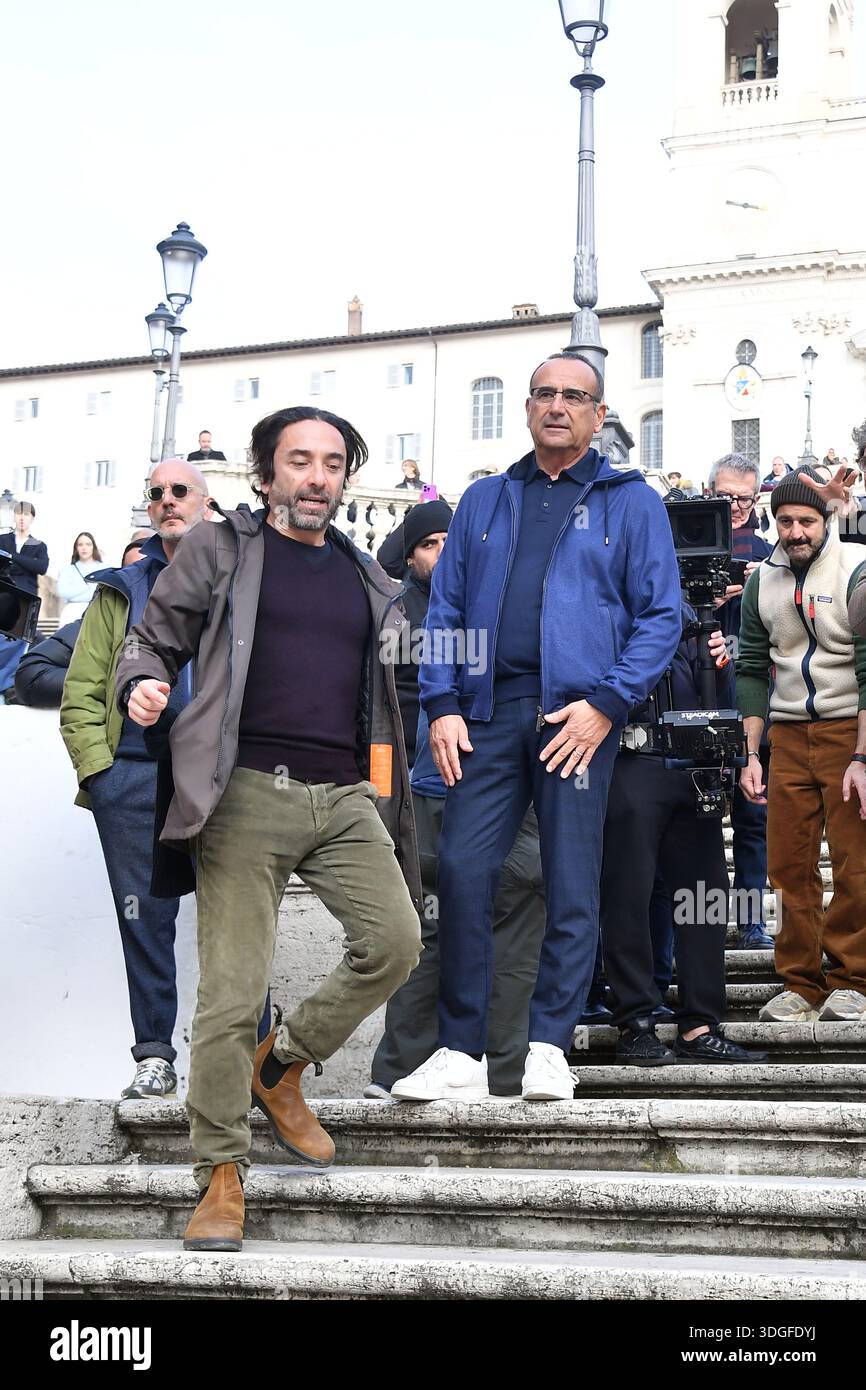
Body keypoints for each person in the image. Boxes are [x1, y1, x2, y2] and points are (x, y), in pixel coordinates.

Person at [116, 405, 422, 1254]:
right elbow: (152, 640)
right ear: (266, 474)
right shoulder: (222, 548)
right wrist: (140, 686)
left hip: (343, 794)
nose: (316, 477)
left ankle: (282, 1063)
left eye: (331, 463)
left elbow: (390, 693)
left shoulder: (367, 575)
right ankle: (219, 1173)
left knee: (396, 941)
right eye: (299, 461)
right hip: (244, 792)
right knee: (230, 994)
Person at [391, 352, 682, 1104]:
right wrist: (443, 706)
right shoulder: (485, 500)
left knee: (571, 879)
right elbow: (447, 611)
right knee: (460, 873)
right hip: (485, 715)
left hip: (577, 717)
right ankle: (460, 1052)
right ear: (527, 407)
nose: (558, 405)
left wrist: (609, 704)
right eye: (545, 393)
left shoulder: (629, 500)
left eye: (574, 396)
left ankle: (549, 1046)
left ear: (598, 414)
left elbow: (660, 617)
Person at [367, 501, 547, 1099]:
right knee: (430, 931)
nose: (442, 554)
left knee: (516, 920)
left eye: (452, 541)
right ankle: (400, 1069)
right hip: (431, 791)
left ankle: (504, 1070)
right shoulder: (401, 618)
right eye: (429, 544)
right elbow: (379, 717)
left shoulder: (499, 598)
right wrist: (381, 791)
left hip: (511, 789)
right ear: (411, 554)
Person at [60, 460, 210, 1100]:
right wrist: (102, 771)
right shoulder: (118, 589)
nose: (167, 501)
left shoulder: (242, 576)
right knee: (144, 920)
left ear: (207, 501)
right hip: (134, 776)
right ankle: (154, 1055)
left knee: (240, 916)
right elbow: (79, 692)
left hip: (222, 774)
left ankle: (254, 1059)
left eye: (180, 490)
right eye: (156, 494)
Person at [601, 616, 768, 1065]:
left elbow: (728, 697)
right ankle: (635, 1024)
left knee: (706, 896)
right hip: (630, 761)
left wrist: (721, 665)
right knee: (628, 897)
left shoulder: (694, 618)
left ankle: (700, 1025)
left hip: (695, 766)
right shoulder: (613, 602)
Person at [737, 466, 866, 1022]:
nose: (796, 531)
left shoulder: (857, 568)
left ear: (826, 519)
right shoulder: (760, 582)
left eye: (806, 520)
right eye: (785, 521)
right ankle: (800, 983)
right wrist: (750, 754)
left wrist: (862, 754)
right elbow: (749, 667)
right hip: (787, 732)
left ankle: (853, 979)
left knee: (855, 862)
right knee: (788, 865)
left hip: (847, 727)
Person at [708, 453, 774, 951]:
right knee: (701, 824)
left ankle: (751, 923)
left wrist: (762, 593)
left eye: (744, 497)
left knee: (754, 820)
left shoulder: (773, 555)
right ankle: (701, 928)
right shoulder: (684, 547)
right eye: (725, 495)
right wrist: (702, 603)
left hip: (757, 705)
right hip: (701, 699)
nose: (734, 506)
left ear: (757, 498)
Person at [0, 502, 48, 699]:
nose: (22, 518)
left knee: (20, 644)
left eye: (26, 515)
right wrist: (23, 562)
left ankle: (10, 685)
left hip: (25, 602)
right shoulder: (3, 539)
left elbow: (41, 567)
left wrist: (12, 557)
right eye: (19, 514)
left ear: (32, 518)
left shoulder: (38, 545)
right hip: (4, 599)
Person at [57, 532, 104, 624]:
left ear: (93, 547)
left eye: (88, 544)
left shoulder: (103, 568)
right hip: (71, 612)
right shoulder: (66, 569)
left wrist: (75, 591)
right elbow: (63, 592)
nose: (84, 548)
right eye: (80, 544)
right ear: (76, 547)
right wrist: (88, 587)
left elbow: (103, 594)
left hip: (96, 610)